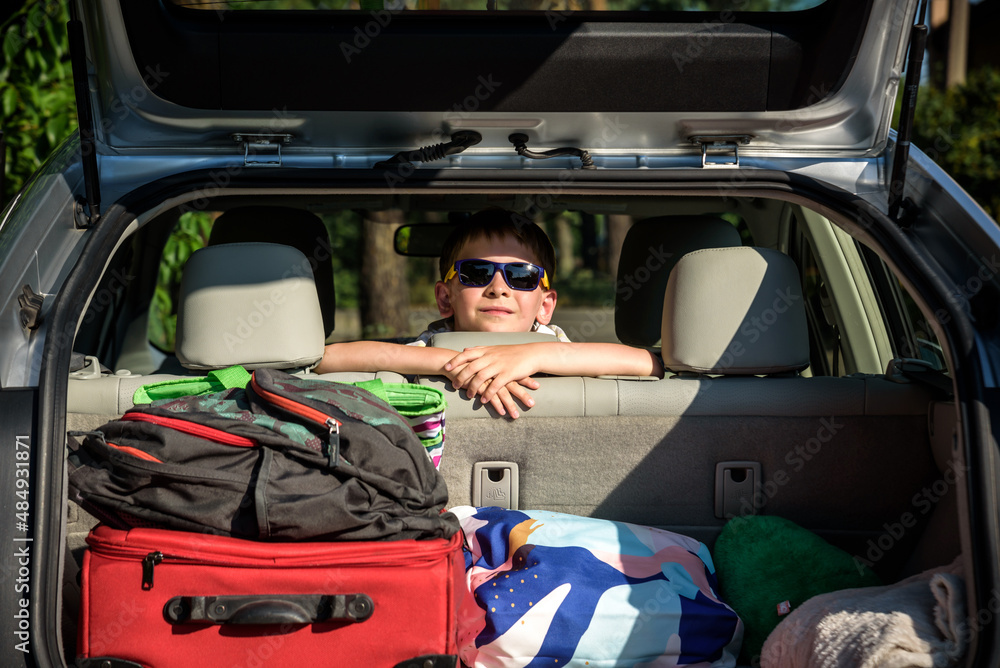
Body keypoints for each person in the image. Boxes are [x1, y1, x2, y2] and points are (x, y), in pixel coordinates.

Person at [316, 209, 663, 418]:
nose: (499, 287)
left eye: (522, 276)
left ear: (546, 305)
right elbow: (325, 358)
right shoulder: (430, 348)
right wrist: (452, 363)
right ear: (445, 297)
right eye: (477, 272)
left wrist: (532, 355)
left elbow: (650, 363)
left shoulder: (554, 344)